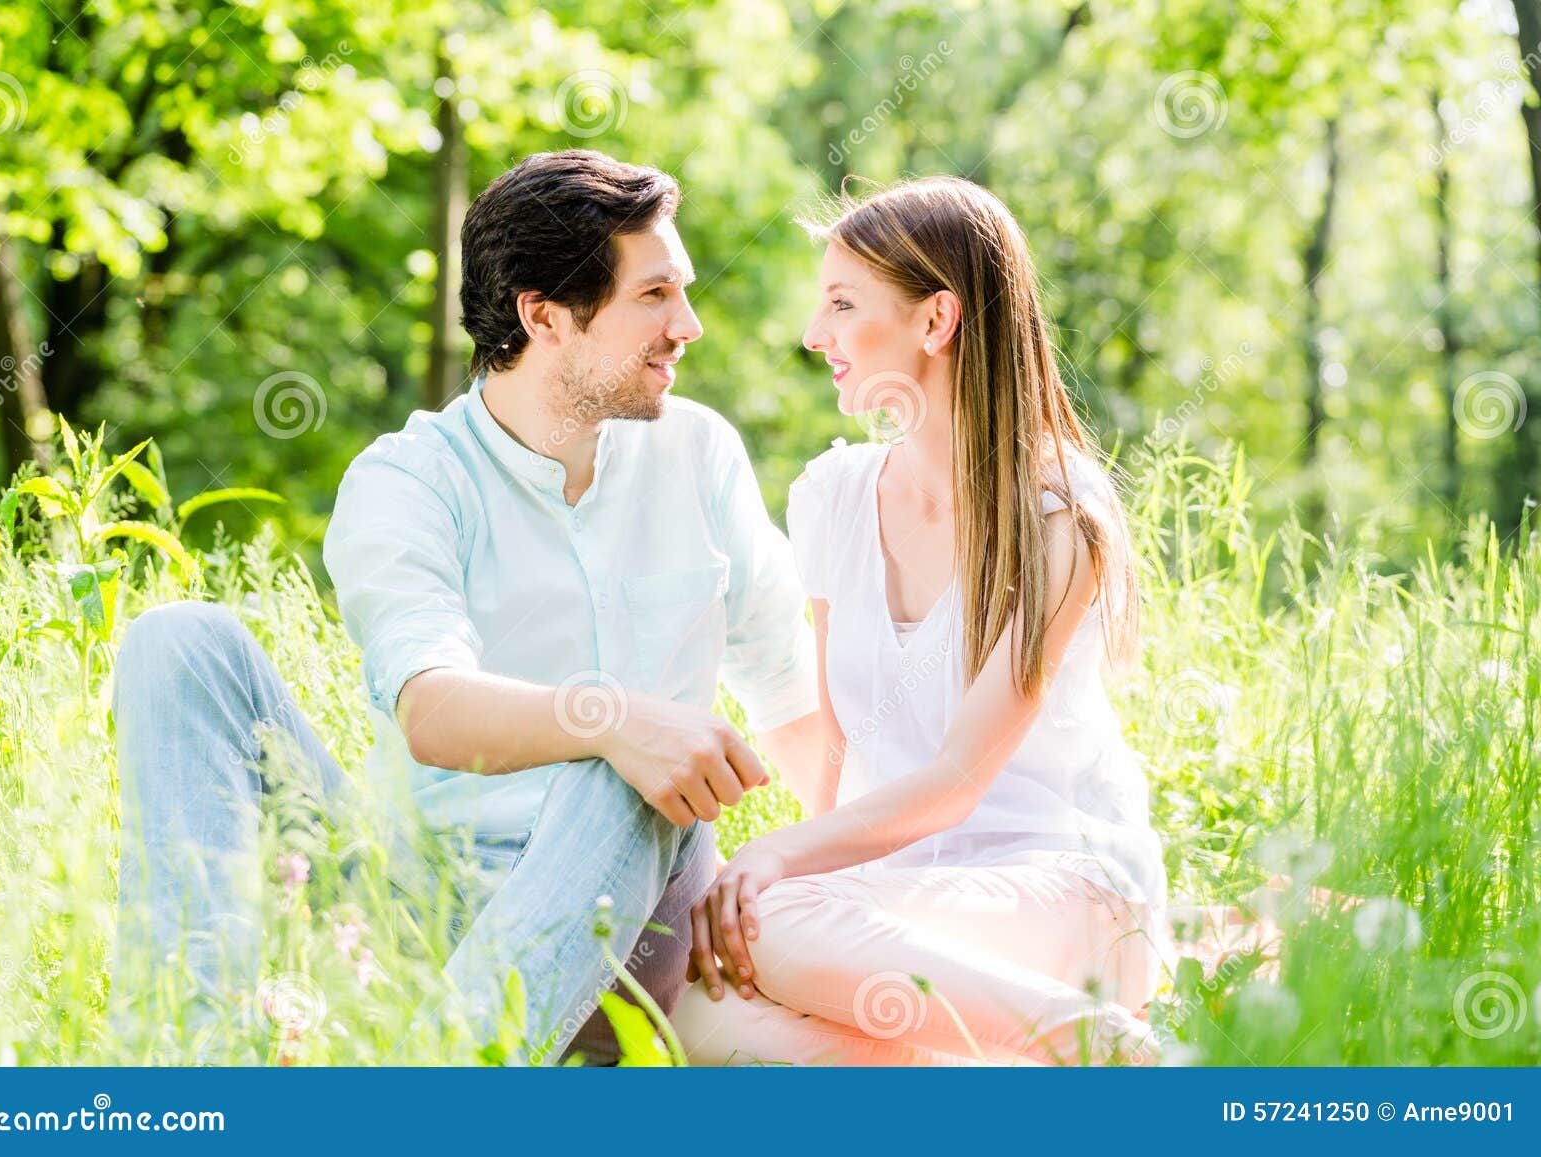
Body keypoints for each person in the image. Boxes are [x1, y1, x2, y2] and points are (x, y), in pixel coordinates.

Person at [111, 150, 824, 1065]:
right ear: (544, 316)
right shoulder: (409, 479)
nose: (687, 324)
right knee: (182, 639)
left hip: (626, 935)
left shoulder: (700, 455)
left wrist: (858, 868)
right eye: (654, 296)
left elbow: (794, 703)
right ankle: (189, 1084)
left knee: (631, 765)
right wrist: (611, 716)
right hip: (418, 917)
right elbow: (433, 707)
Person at [669, 176, 1179, 1067]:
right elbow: (839, 750)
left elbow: (956, 779)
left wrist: (780, 867)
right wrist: (805, 892)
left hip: (1064, 888)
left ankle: (1104, 1043)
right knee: (694, 1003)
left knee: (771, 919)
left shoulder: (1060, 516)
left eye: (841, 302)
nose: (813, 333)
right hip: (899, 904)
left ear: (935, 321)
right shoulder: (832, 497)